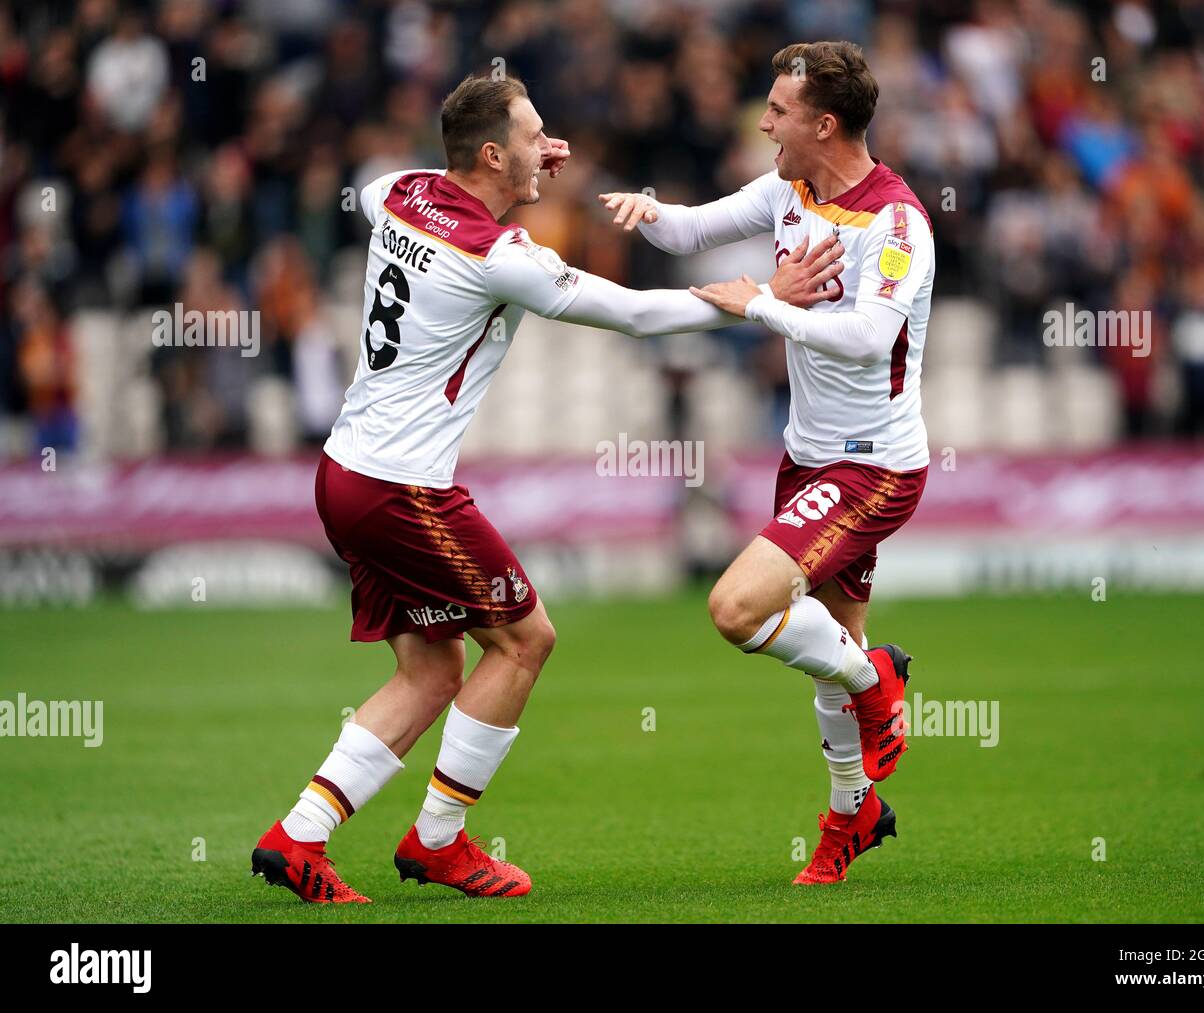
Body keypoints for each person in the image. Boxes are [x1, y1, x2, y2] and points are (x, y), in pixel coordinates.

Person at [251, 72, 738, 903]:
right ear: (489, 153)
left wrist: (517, 164)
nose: (551, 148)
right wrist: (749, 302)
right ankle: (439, 841)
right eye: (534, 135)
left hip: (343, 474)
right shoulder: (499, 255)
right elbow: (629, 312)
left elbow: (376, 190)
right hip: (403, 487)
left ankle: (297, 837)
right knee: (525, 639)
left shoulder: (399, 191)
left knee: (434, 670)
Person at [600, 40, 935, 885]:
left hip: (874, 468)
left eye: (778, 110)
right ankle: (851, 816)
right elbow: (689, 229)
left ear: (824, 123)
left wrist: (764, 308)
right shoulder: (788, 189)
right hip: (807, 459)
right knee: (827, 643)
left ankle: (877, 680)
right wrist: (647, 207)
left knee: (737, 608)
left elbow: (867, 339)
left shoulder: (896, 223)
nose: (763, 122)